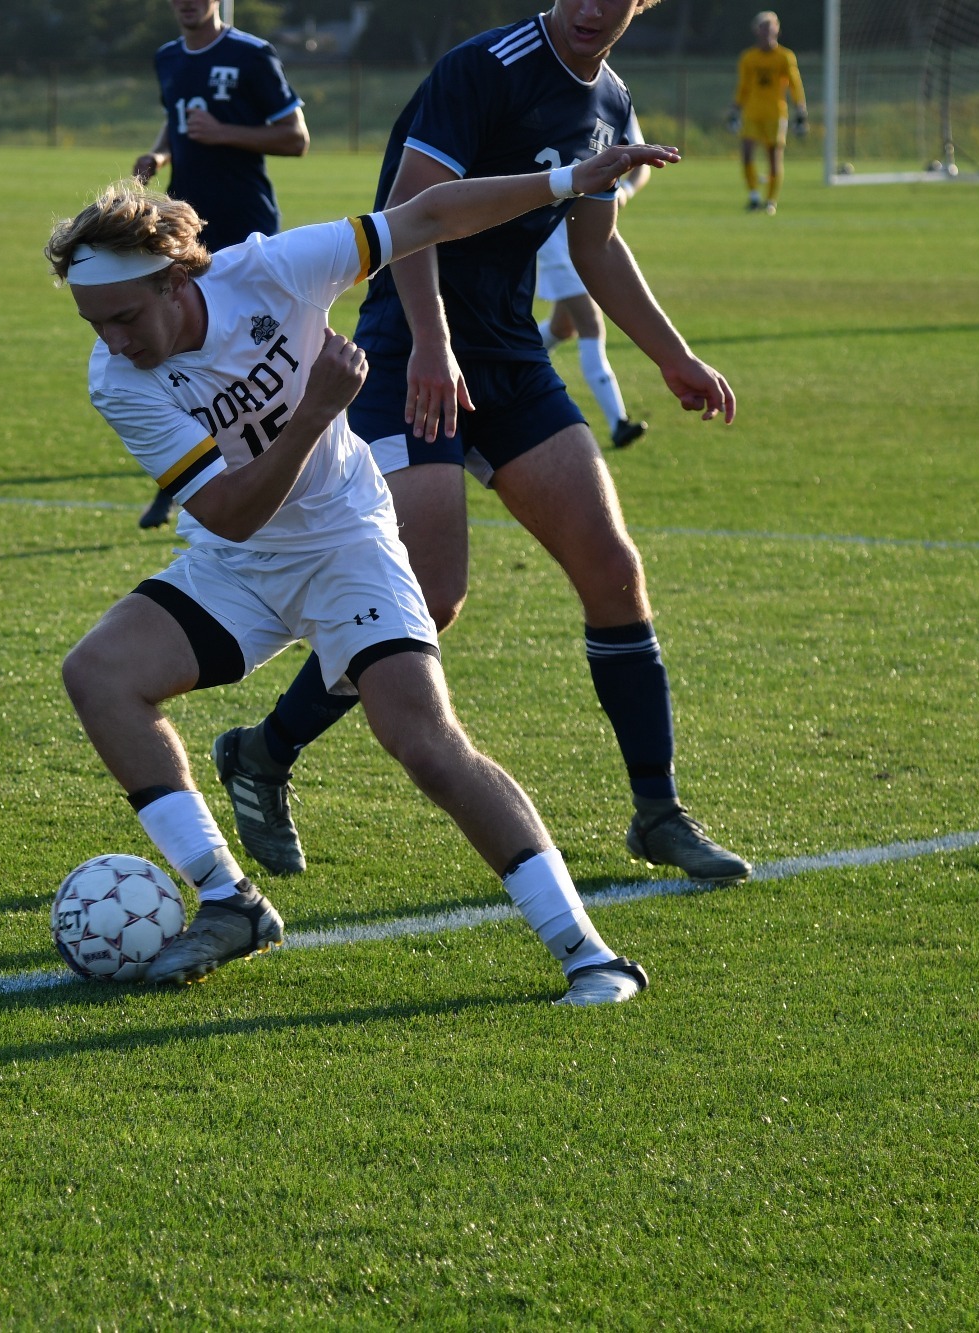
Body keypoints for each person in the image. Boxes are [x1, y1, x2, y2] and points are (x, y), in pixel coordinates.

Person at [50, 138, 679, 999]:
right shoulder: (116, 381)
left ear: (173, 279)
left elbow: (429, 216)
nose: (115, 345)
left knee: (423, 741)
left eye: (124, 319)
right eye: (97, 326)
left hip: (349, 542)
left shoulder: (269, 272)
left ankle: (588, 953)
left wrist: (568, 181)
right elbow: (231, 511)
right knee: (99, 674)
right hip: (242, 557)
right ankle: (230, 900)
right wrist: (312, 412)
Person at [212, 0, 751, 888]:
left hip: (505, 356)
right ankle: (264, 753)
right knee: (432, 591)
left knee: (613, 568)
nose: (589, 9)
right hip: (406, 347)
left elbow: (598, 245)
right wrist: (430, 341)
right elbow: (409, 211)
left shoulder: (609, 100)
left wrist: (673, 356)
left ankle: (658, 813)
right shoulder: (488, 67)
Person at [130, 0, 308, 532]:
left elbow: (296, 137)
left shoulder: (251, 54)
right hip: (186, 234)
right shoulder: (167, 57)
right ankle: (183, 481)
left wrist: (225, 132)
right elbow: (177, 120)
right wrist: (161, 156)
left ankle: (296, 468)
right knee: (183, 358)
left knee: (261, 355)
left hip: (248, 235)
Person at [537, 112, 651, 449]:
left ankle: (487, 368)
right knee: (591, 324)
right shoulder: (551, 90)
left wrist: (626, 189)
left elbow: (640, 158)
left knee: (563, 328)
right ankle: (618, 422)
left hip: (588, 230)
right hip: (554, 232)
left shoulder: (613, 95)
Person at [727, 11, 807, 214]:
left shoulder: (785, 57)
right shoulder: (748, 57)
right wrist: (735, 110)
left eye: (770, 29)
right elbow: (743, 86)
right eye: (763, 29)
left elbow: (794, 85)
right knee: (746, 154)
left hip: (775, 113)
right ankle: (754, 195)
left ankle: (771, 200)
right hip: (753, 112)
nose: (767, 34)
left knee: (774, 158)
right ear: (757, 31)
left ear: (777, 30)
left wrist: (801, 111)